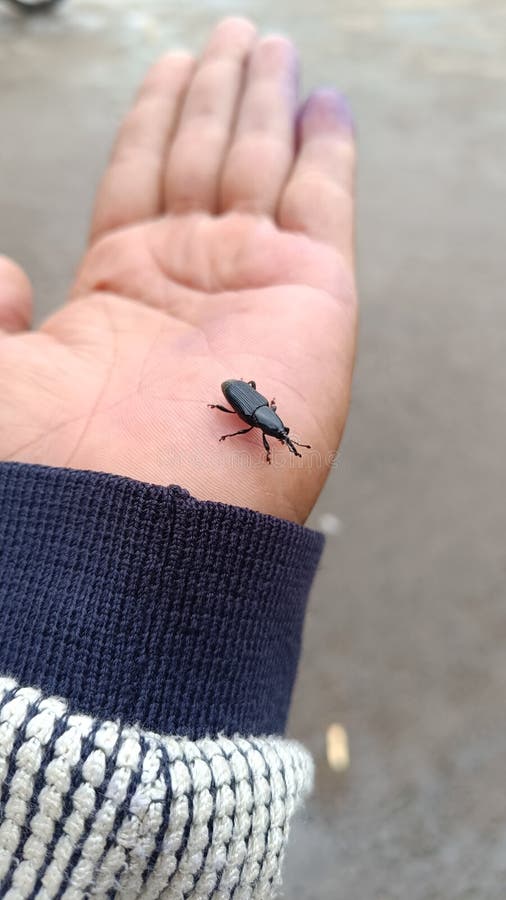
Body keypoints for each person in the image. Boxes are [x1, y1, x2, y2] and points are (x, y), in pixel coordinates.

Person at [0, 16, 357, 898]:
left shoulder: (264, 422)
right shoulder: (251, 412)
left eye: (268, 432)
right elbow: (249, 410)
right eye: (269, 431)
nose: (269, 434)